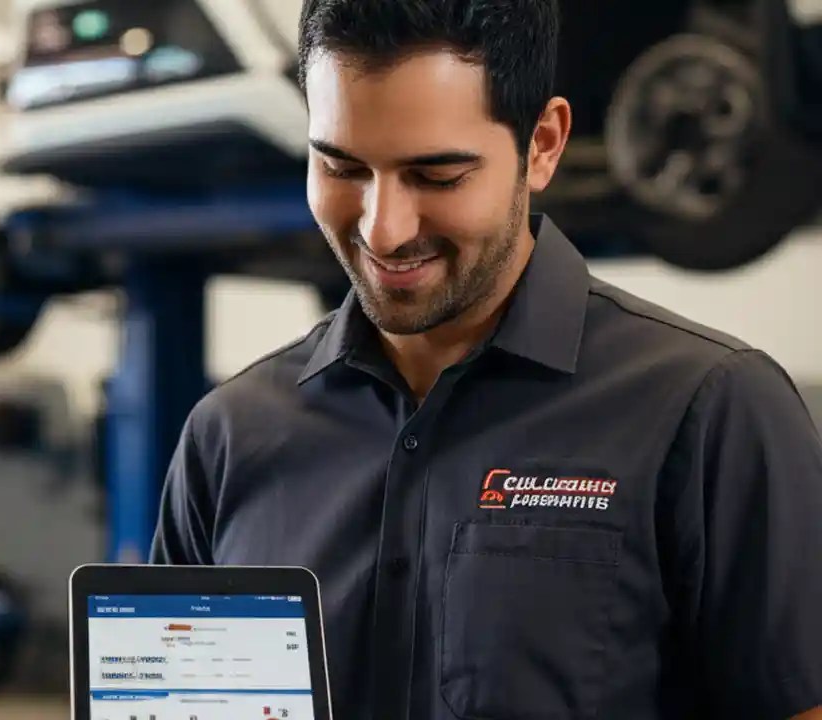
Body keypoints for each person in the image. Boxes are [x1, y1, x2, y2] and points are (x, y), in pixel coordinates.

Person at [151, 1, 822, 718]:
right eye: (341, 166)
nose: (384, 228)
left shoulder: (710, 410)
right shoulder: (230, 436)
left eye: (437, 175)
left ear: (544, 145)